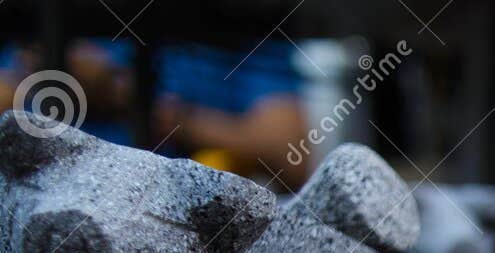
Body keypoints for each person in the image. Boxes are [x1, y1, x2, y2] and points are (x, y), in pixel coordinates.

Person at [0, 38, 310, 185]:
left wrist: (121, 93)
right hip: (52, 210)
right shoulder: (64, 17)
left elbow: (290, 155)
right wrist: (57, 80)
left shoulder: (240, 24)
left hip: (183, 225)